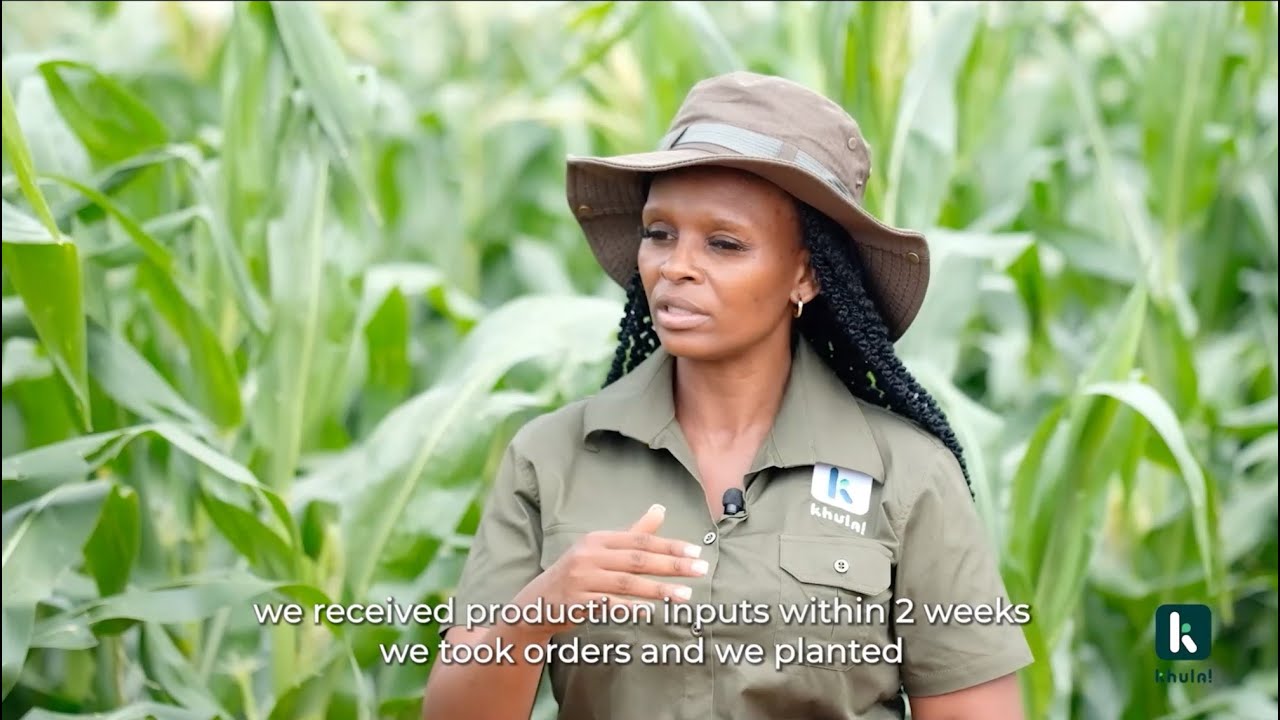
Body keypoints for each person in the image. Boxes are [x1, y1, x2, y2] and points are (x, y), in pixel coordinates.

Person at [421, 71, 1034, 720]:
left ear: (805, 273)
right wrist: (541, 609)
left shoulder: (908, 477)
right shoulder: (551, 459)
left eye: (724, 243)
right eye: (659, 233)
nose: (676, 265)